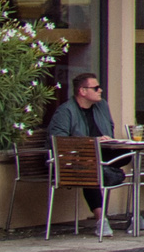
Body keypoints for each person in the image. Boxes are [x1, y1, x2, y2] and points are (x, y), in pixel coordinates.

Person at [44, 73, 134, 235]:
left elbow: (109, 129)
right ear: (82, 91)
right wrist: (91, 142)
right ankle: (101, 219)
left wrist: (107, 141)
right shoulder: (65, 111)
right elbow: (57, 142)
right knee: (92, 170)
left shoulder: (102, 106)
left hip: (98, 155)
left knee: (128, 154)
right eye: (96, 88)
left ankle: (132, 216)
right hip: (72, 159)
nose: (100, 90)